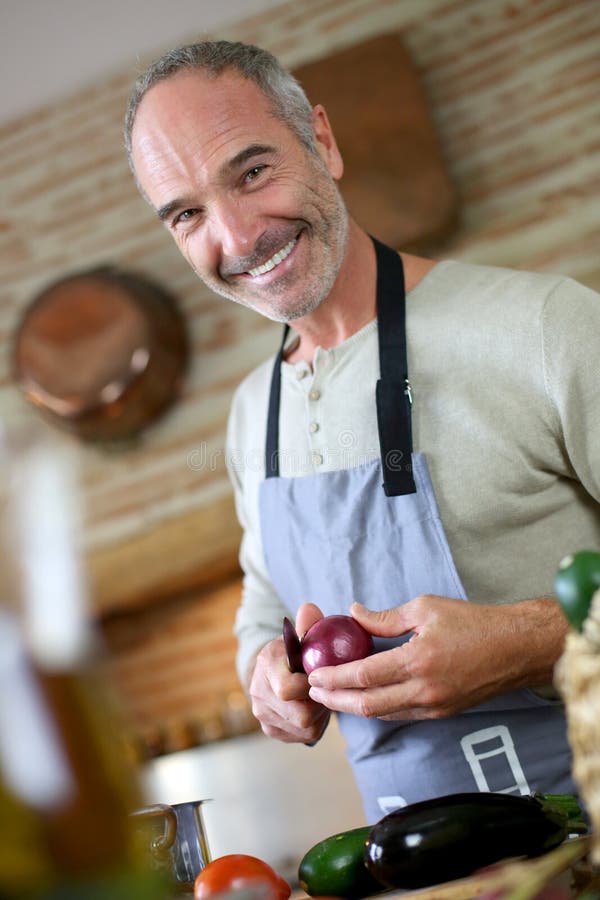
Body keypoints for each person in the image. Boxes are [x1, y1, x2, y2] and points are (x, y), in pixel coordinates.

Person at [125, 40, 600, 822]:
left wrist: (533, 639)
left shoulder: (545, 326)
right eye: (188, 213)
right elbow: (264, 603)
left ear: (324, 141)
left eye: (251, 172)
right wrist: (265, 677)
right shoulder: (255, 413)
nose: (239, 237)